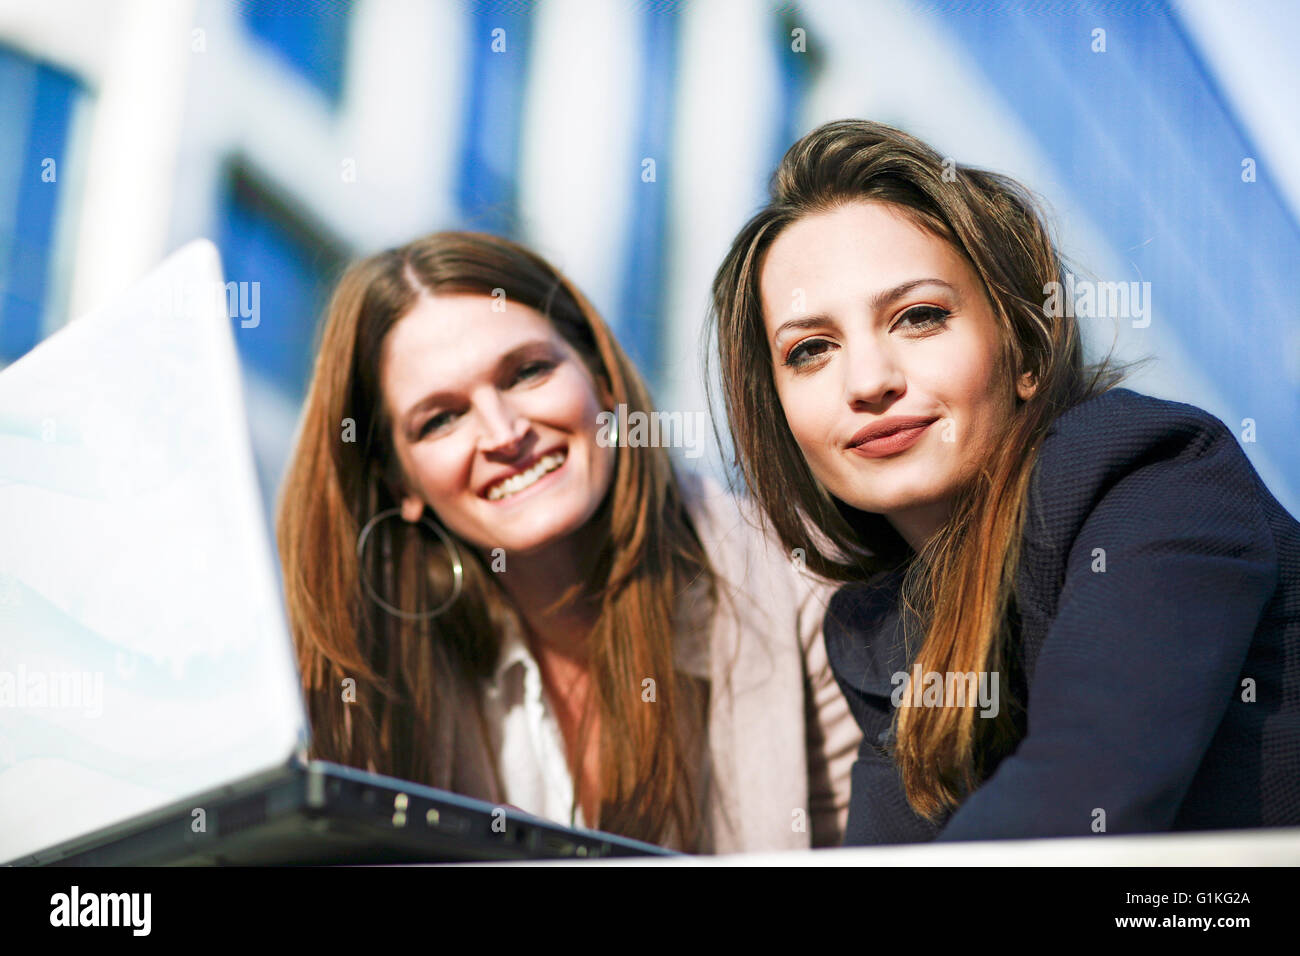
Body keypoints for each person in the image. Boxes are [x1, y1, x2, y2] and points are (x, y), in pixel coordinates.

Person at [707, 118, 1300, 843]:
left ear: (1026, 350)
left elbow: (1075, 807)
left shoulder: (1151, 476)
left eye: (919, 317)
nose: (867, 381)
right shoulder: (880, 630)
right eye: (810, 350)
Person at [275, 230, 861, 853]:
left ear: (601, 379)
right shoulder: (369, 676)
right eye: (441, 419)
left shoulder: (806, 592)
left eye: (527, 372)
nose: (502, 434)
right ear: (400, 482)